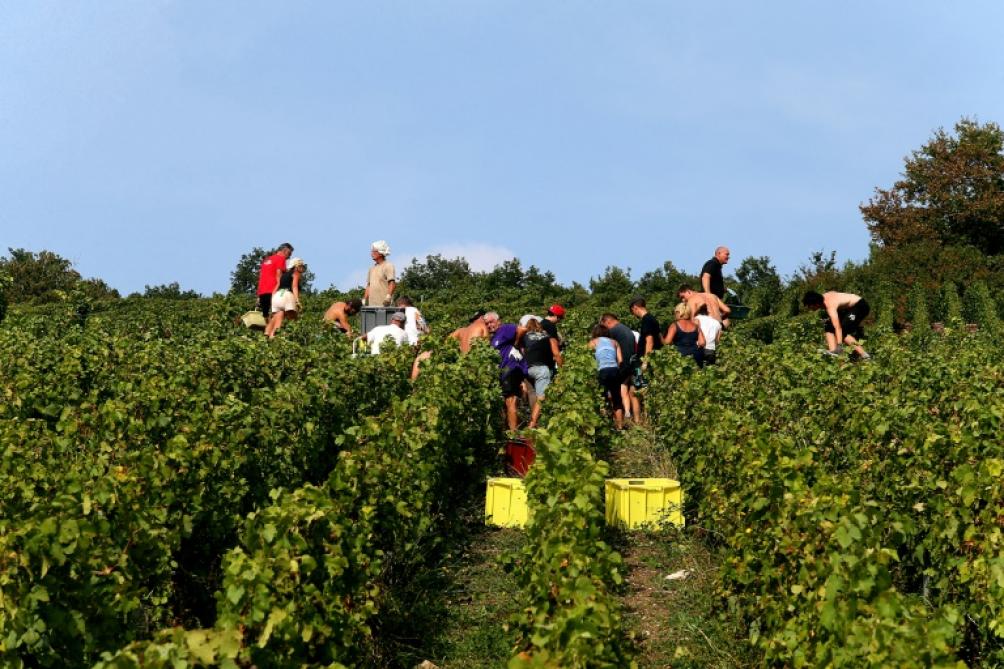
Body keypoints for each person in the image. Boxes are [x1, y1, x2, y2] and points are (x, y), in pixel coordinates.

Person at [486, 312, 528, 433]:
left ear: (498, 320)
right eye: (487, 323)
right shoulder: (494, 337)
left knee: (510, 402)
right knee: (506, 404)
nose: (489, 325)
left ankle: (513, 434)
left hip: (510, 369)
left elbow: (522, 329)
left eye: (491, 322)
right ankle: (512, 430)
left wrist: (516, 342)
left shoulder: (505, 328)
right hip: (503, 372)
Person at [802, 291, 871, 359]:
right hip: (849, 308)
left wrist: (839, 345)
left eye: (809, 306)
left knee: (842, 331)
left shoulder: (830, 305)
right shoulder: (822, 298)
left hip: (860, 306)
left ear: (816, 304)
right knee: (828, 326)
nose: (809, 309)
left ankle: (864, 355)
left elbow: (838, 327)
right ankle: (834, 352)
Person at [522, 317, 563, 429]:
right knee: (541, 397)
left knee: (532, 394)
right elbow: (556, 354)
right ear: (540, 326)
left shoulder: (524, 336)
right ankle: (532, 425)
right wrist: (563, 370)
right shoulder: (547, 337)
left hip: (528, 369)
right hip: (541, 369)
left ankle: (534, 421)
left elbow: (522, 351)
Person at [600, 313, 639, 421]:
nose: (605, 329)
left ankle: (618, 416)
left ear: (607, 322)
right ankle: (629, 414)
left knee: (615, 391)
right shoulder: (626, 329)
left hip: (622, 364)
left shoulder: (613, 331)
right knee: (626, 388)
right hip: (631, 364)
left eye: (604, 326)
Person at [589, 323, 624, 430]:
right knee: (617, 399)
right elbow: (621, 360)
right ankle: (620, 427)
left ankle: (605, 426)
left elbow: (587, 359)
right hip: (614, 370)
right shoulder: (614, 342)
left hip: (601, 371)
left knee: (601, 398)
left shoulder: (593, 342)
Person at [265, 257, 305, 338]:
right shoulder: (295, 273)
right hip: (287, 296)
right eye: (300, 266)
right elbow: (294, 287)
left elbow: (275, 288)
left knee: (277, 318)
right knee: (294, 320)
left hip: (277, 297)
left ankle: (268, 334)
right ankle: (293, 337)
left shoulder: (283, 276)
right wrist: (297, 301)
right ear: (295, 266)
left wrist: (271, 301)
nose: (302, 268)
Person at [256, 243, 293, 317]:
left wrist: (258, 295)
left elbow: (261, 277)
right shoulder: (281, 259)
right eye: (289, 254)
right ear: (284, 251)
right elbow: (279, 275)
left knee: (265, 316)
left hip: (262, 292)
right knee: (278, 315)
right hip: (273, 290)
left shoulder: (266, 260)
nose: (289, 257)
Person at [364, 240, 396, 307]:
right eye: (371, 251)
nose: (371, 253)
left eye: (374, 251)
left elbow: (392, 283)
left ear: (381, 253)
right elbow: (368, 286)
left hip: (385, 306)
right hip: (372, 306)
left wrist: (388, 297)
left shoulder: (388, 266)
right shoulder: (371, 269)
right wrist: (364, 299)